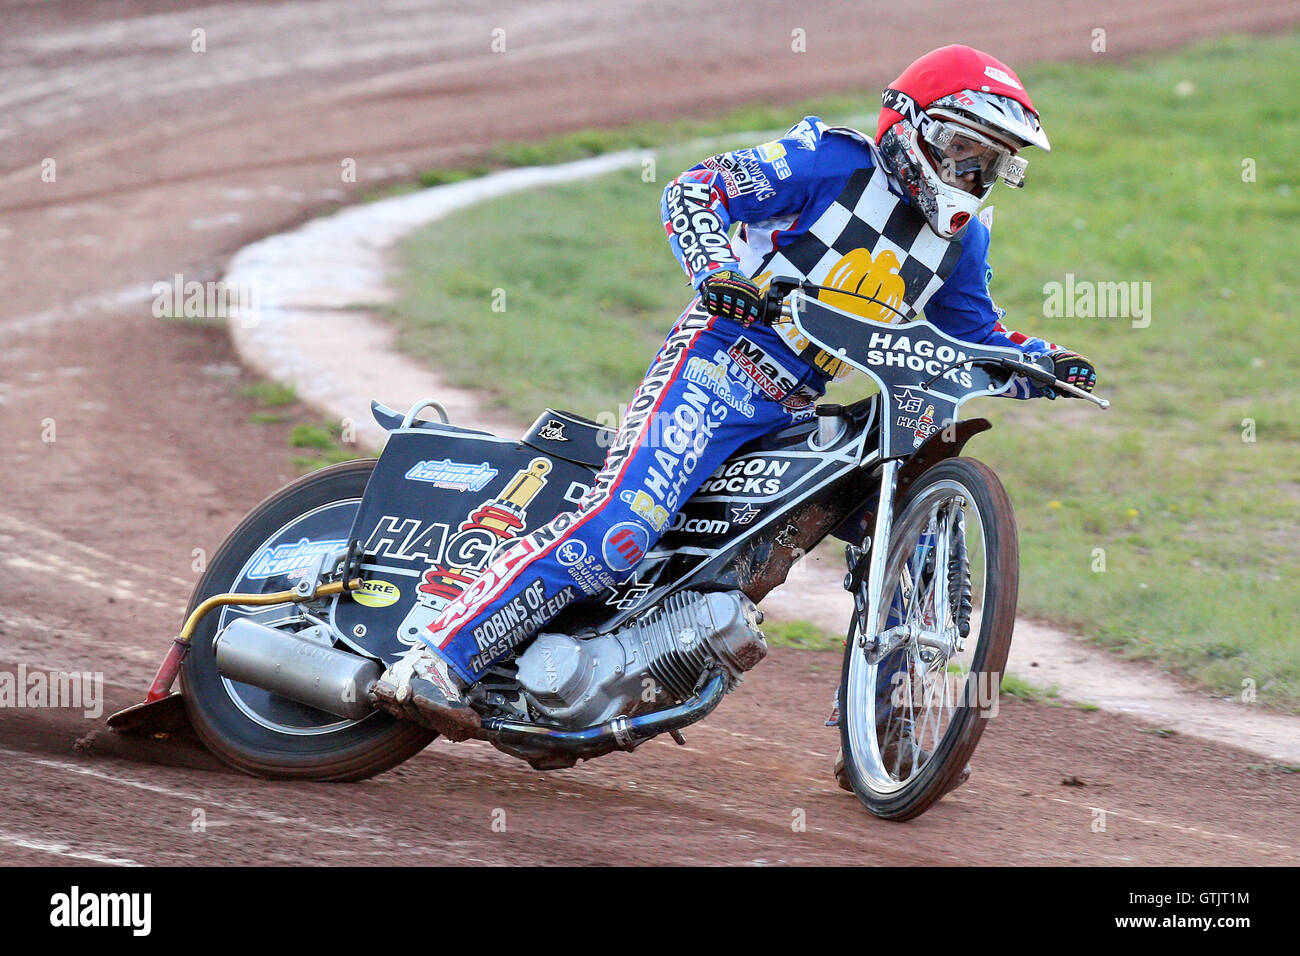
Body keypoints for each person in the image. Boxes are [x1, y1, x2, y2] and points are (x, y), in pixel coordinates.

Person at [372, 44, 1097, 749]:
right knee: (625, 527)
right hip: (716, 366)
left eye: (992, 162)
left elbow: (977, 336)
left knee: (906, 524)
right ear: (911, 126)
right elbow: (696, 188)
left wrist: (1046, 363)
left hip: (794, 408)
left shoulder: (960, 244)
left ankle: (891, 727)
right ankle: (435, 659)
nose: (972, 174)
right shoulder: (830, 162)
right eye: (963, 149)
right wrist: (717, 269)